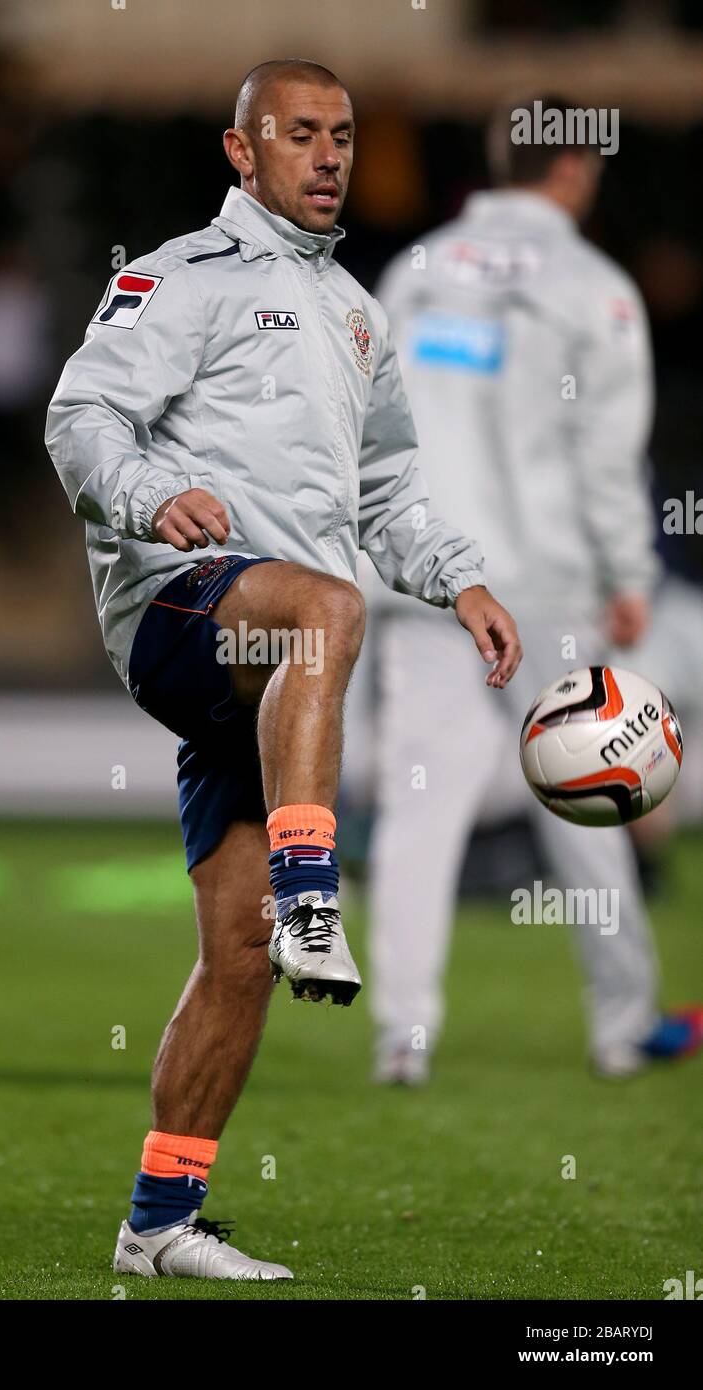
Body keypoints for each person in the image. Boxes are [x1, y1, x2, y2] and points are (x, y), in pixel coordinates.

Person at [45, 59, 521, 1281]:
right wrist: (154, 490)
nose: (328, 155)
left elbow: (388, 490)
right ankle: (319, 894)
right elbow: (81, 415)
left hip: (278, 680)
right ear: (239, 151)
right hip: (179, 604)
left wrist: (461, 577)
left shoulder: (357, 314)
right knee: (325, 601)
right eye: (298, 134)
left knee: (235, 957)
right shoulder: (180, 276)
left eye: (343, 134)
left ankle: (156, 1222)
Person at [368, 94, 702, 1087]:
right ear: (574, 171)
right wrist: (627, 577)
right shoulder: (592, 287)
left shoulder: (413, 274)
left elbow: (368, 428)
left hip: (421, 578)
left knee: (417, 807)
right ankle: (619, 1021)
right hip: (540, 585)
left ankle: (402, 1034)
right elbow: (605, 459)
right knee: (587, 795)